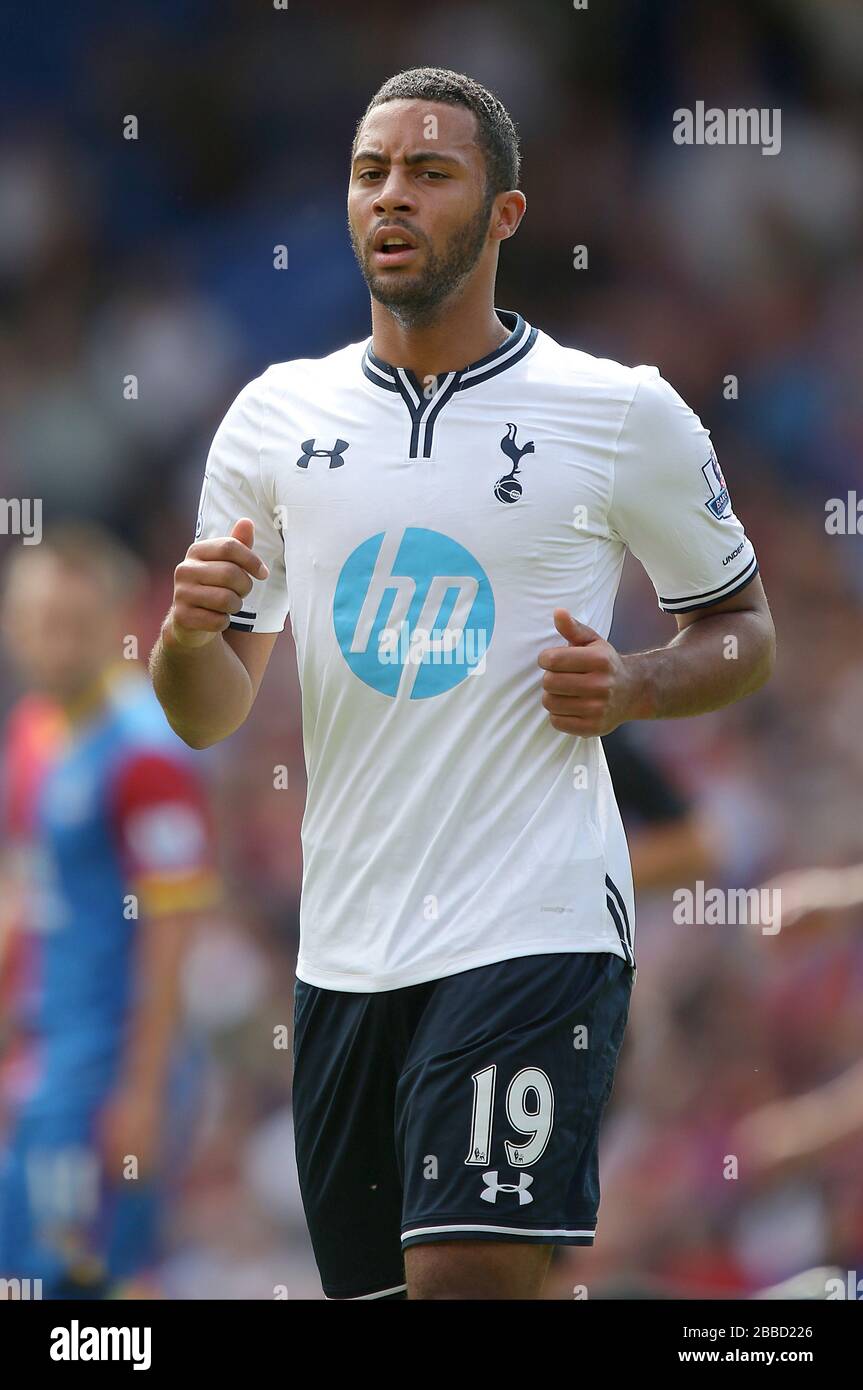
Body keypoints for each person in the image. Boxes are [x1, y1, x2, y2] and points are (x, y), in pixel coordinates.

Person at [150, 67, 776, 1300]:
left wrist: (637, 686)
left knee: (468, 1279)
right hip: (345, 953)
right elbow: (206, 707)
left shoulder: (616, 412)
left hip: (531, 922)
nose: (391, 196)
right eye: (370, 171)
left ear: (503, 214)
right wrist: (182, 638)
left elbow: (744, 629)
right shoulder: (273, 420)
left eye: (430, 173)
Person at [0, 525, 218, 1297]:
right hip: (44, 1058)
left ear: (117, 624)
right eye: (35, 621)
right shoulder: (31, 732)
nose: (51, 642)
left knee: (94, 1282)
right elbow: (26, 893)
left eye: (73, 623)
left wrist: (144, 1089)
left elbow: (172, 926)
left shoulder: (145, 754)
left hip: (106, 1067)